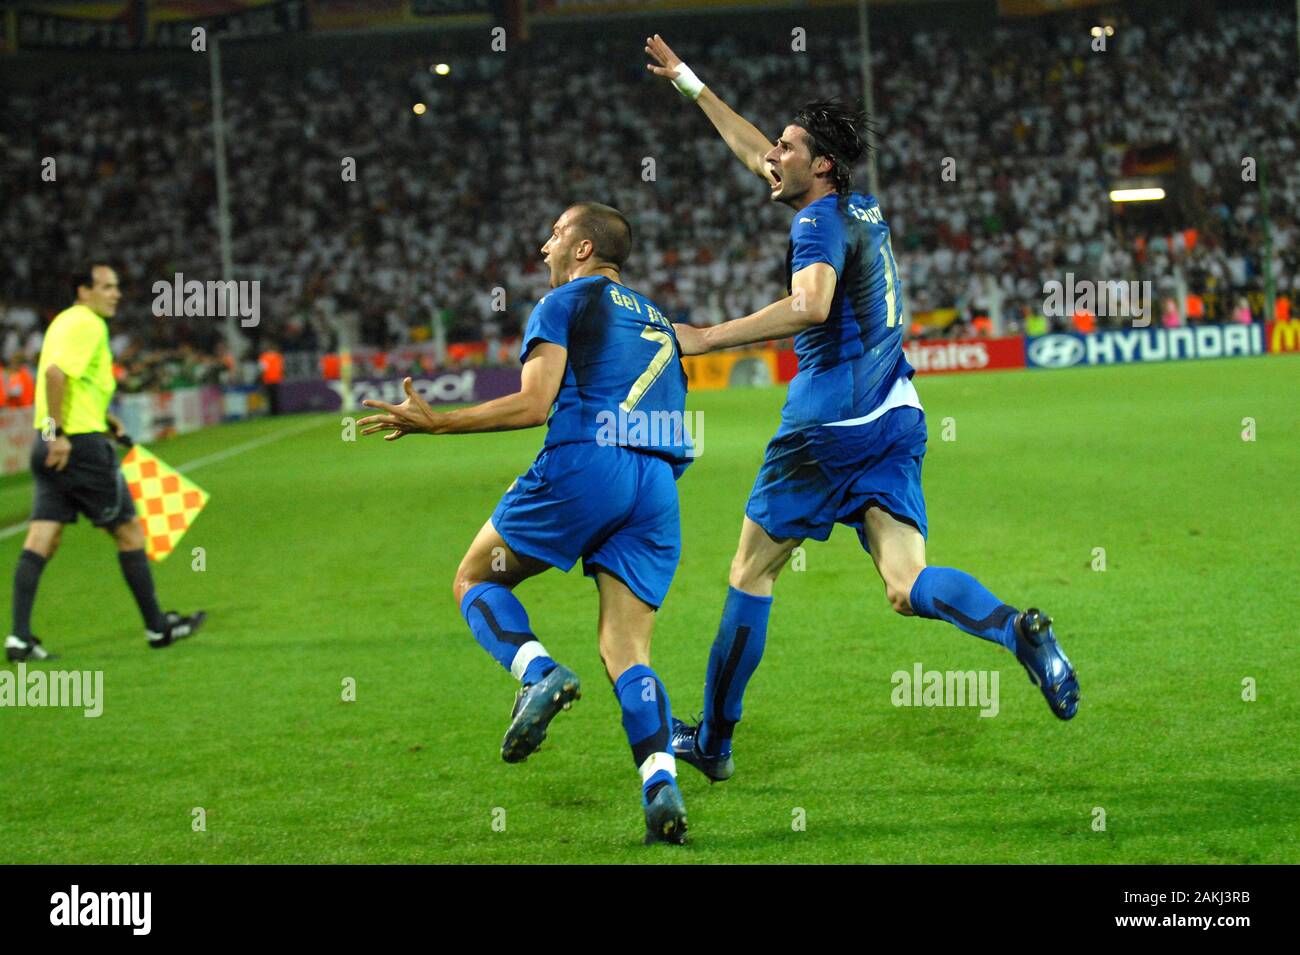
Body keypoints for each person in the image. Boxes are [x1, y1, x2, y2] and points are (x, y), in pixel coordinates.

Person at [643, 35, 1080, 783]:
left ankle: (713, 743)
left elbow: (810, 306)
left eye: (785, 147)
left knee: (751, 573)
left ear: (819, 166)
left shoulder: (813, 222)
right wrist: (690, 82)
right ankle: (1017, 628)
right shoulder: (858, 207)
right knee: (907, 583)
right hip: (896, 412)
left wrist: (704, 337)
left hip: (825, 426)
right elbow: (750, 150)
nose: (769, 156)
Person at [357, 204, 696, 844]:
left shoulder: (564, 303)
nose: (544, 247)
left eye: (556, 234)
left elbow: (535, 403)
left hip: (586, 466)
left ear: (584, 248)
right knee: (628, 652)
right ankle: (659, 784)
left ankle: (537, 672)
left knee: (471, 579)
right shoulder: (653, 317)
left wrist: (438, 423)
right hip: (656, 487)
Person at [7, 264, 205, 662]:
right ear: (83, 291)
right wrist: (62, 434)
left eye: (117, 287)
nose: (115, 294)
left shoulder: (65, 323)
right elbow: (55, 374)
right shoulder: (88, 324)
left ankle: (19, 639)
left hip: (50, 445)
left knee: (42, 538)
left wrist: (92, 423)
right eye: (106, 287)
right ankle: (157, 629)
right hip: (77, 448)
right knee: (130, 533)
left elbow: (66, 382)